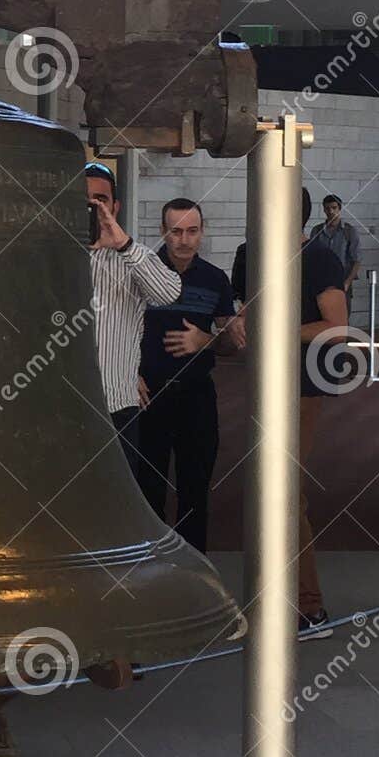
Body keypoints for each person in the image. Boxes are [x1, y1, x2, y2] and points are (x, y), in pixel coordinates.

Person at [233, 189, 348, 639]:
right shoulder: (248, 254)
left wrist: (276, 328)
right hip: (262, 387)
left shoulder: (319, 259)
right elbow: (243, 315)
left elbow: (336, 329)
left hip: (300, 390)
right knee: (264, 494)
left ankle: (310, 610)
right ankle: (270, 600)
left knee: (287, 496)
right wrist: (239, 326)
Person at [136, 199, 239, 555]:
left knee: (195, 491)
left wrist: (204, 340)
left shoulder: (215, 279)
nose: (184, 240)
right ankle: (148, 571)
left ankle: (196, 573)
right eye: (176, 231)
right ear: (163, 232)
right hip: (147, 396)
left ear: (202, 232)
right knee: (146, 489)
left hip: (196, 397)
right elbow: (114, 329)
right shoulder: (142, 272)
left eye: (192, 231)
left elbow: (231, 344)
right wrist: (127, 373)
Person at [84, 162, 180, 482]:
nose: (93, 207)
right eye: (83, 200)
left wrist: (123, 244)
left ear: (115, 206)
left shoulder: (133, 257)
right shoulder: (50, 256)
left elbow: (168, 292)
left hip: (117, 407)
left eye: (101, 199)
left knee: (119, 509)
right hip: (63, 410)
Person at [310, 194, 363, 302]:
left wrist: (347, 283)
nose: (331, 211)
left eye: (334, 208)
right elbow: (312, 258)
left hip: (342, 281)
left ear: (339, 209)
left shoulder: (349, 231)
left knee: (343, 317)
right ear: (324, 210)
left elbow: (357, 260)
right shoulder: (316, 231)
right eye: (328, 208)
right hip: (321, 282)